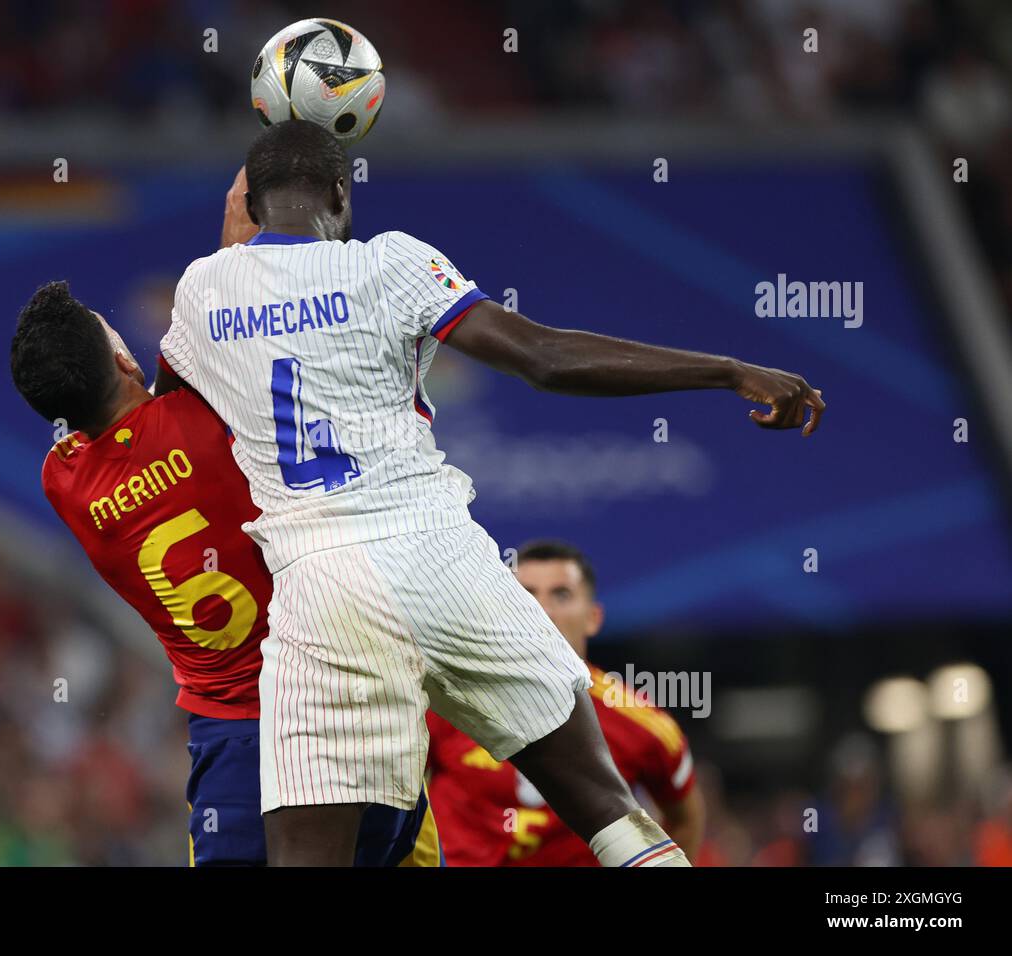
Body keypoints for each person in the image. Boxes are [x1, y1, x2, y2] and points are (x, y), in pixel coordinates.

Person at [156, 119, 823, 866]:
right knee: (606, 808)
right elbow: (543, 357)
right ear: (342, 195)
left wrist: (230, 253)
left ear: (249, 202)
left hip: (319, 588)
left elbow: (177, 414)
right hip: (439, 555)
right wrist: (728, 369)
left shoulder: (201, 290)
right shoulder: (391, 261)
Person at [9, 280, 440, 866]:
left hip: (234, 743)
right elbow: (229, 294)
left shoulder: (64, 484)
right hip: (346, 701)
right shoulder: (206, 411)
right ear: (123, 358)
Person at [427, 541, 704, 866]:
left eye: (561, 595)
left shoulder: (643, 724)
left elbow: (685, 819)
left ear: (593, 618)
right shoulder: (447, 696)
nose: (541, 610)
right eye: (526, 594)